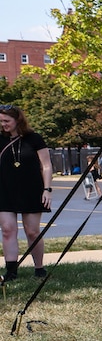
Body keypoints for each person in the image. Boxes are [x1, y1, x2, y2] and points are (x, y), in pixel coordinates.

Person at [0, 105, 52, 281]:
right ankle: (11, 271)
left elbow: (46, 165)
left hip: (31, 189)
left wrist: (47, 189)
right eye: (0, 121)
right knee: (8, 230)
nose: (3, 125)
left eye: (6, 121)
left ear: (18, 120)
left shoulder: (34, 139)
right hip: (5, 191)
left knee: (32, 231)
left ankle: (39, 267)